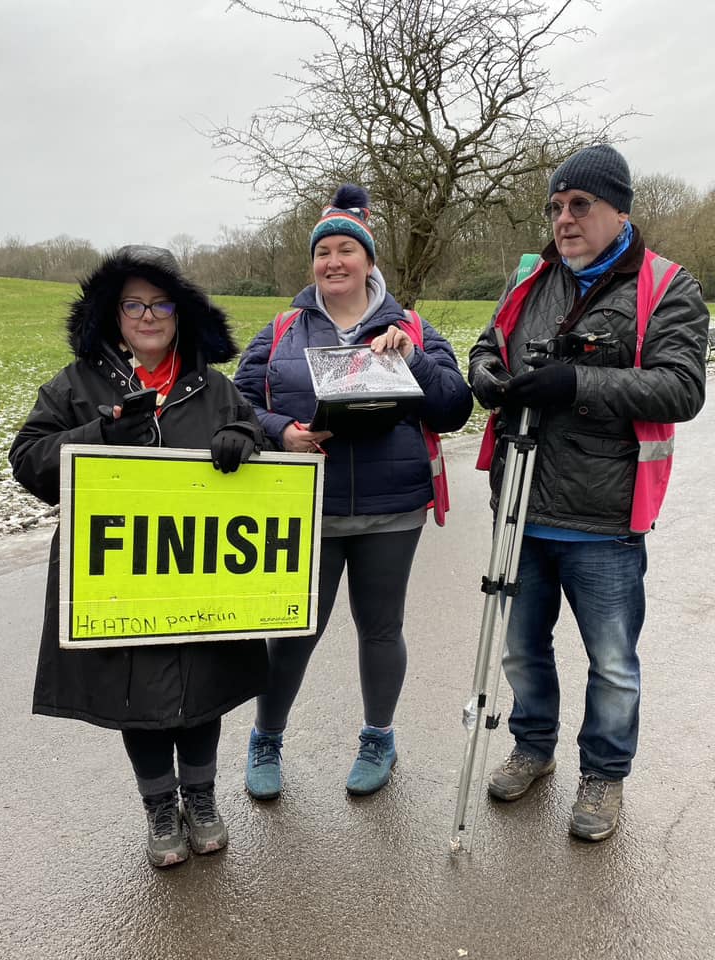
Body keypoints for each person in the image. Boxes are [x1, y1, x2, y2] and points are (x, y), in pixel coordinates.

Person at [468, 144, 709, 841]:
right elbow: (490, 343)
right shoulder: (531, 277)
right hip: (518, 503)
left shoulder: (667, 285)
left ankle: (604, 776)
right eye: (556, 206)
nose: (564, 219)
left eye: (580, 206)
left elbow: (681, 386)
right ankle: (533, 747)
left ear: (619, 209)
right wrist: (486, 372)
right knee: (520, 648)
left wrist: (578, 383)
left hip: (604, 517)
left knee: (611, 660)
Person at [9, 245, 268, 868]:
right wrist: (97, 435)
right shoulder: (75, 385)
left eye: (160, 304)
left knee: (203, 688)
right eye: (134, 304)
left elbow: (251, 429)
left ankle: (202, 797)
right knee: (140, 697)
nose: (147, 315)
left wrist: (245, 436)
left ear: (181, 313)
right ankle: (159, 804)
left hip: (201, 578)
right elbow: (28, 459)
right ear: (113, 312)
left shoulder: (214, 386)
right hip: (118, 578)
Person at [234, 184, 473, 799]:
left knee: (381, 629)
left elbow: (453, 408)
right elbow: (233, 404)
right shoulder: (284, 328)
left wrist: (412, 359)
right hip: (305, 508)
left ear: (370, 260)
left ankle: (378, 738)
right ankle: (266, 738)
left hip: (392, 512)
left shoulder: (412, 325)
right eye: (323, 252)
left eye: (347, 249)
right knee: (291, 631)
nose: (333, 262)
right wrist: (281, 432)